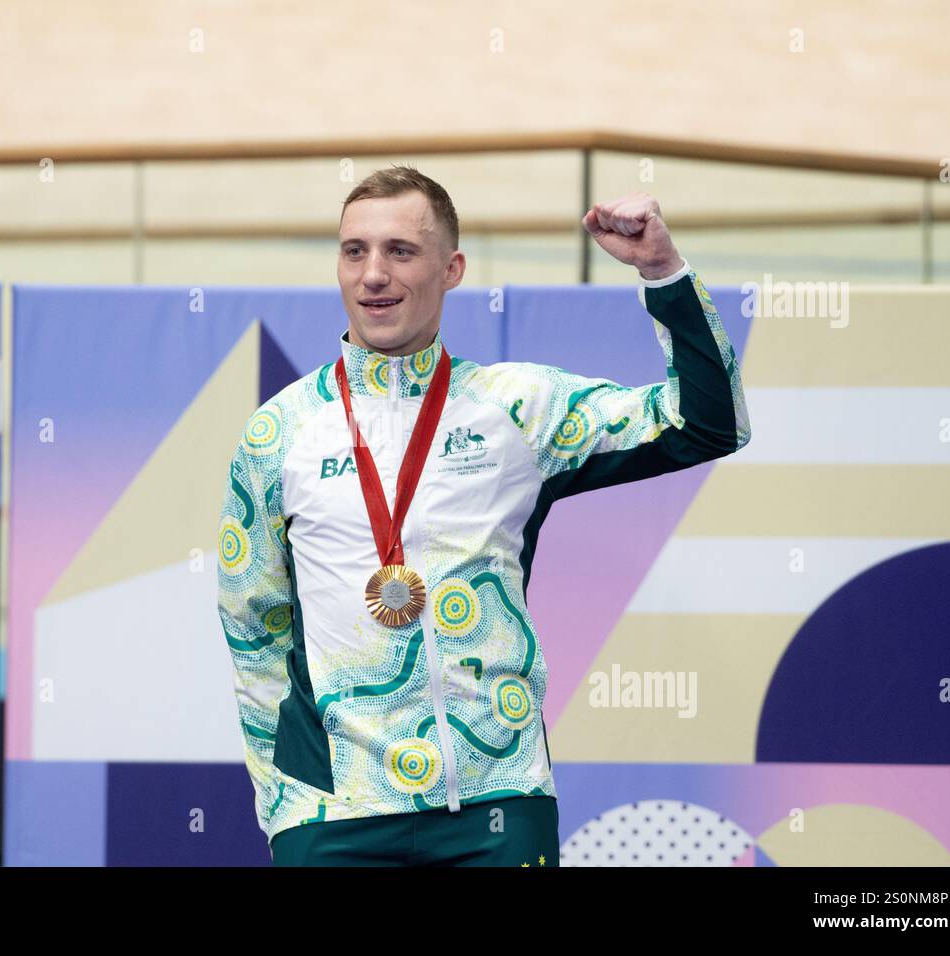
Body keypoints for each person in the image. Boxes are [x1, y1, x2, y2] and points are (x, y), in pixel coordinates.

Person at [216, 164, 751, 866]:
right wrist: (284, 799)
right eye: (355, 251)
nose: (373, 274)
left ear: (452, 268)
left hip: (498, 804)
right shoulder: (276, 432)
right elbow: (252, 626)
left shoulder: (518, 410)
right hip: (333, 815)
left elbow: (708, 424)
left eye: (401, 251)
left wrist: (661, 271)